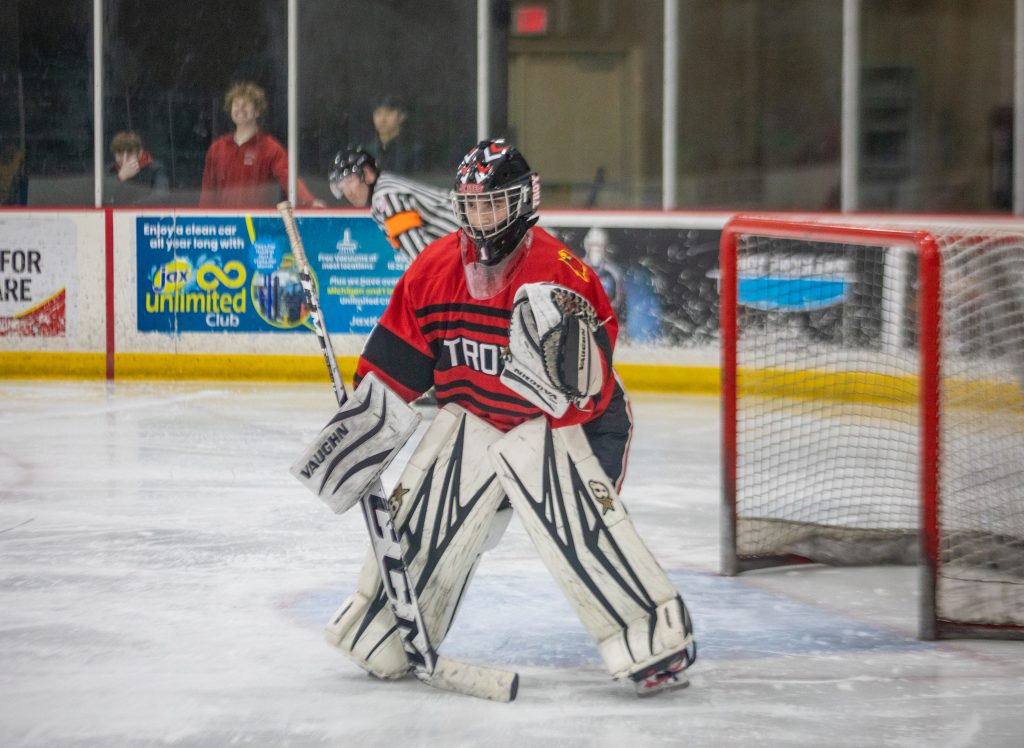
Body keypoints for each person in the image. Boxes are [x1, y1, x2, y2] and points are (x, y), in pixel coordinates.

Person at [324, 139, 697, 697]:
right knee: (428, 515)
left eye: (493, 204)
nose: (481, 219)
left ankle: (653, 637)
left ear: (523, 201)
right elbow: (395, 361)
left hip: (565, 427)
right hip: (478, 419)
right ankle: (387, 628)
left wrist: (568, 368)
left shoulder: (561, 273)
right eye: (472, 206)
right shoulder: (433, 269)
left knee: (580, 530)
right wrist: (362, 427)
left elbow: (592, 394)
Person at [200, 82, 323, 208]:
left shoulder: (270, 148)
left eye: (246, 104)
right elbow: (208, 191)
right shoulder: (217, 148)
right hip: (226, 224)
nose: (240, 109)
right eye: (236, 104)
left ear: (257, 111)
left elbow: (288, 178)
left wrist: (309, 201)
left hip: (257, 223)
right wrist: (202, 219)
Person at [328, 147, 457, 263]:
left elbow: (421, 258)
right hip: (466, 243)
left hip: (469, 243)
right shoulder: (385, 186)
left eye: (350, 181)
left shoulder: (385, 198)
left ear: (367, 174)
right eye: (341, 186)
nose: (348, 192)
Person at [105, 131, 170, 206]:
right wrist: (120, 177)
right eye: (120, 154)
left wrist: (133, 208)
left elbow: (162, 195)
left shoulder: (155, 168)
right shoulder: (110, 170)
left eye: (129, 153)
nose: (124, 159)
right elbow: (101, 195)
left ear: (140, 153)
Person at [364, 94, 419, 174]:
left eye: (388, 113)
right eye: (378, 113)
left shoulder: (413, 150)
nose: (382, 119)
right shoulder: (366, 151)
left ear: (402, 116)